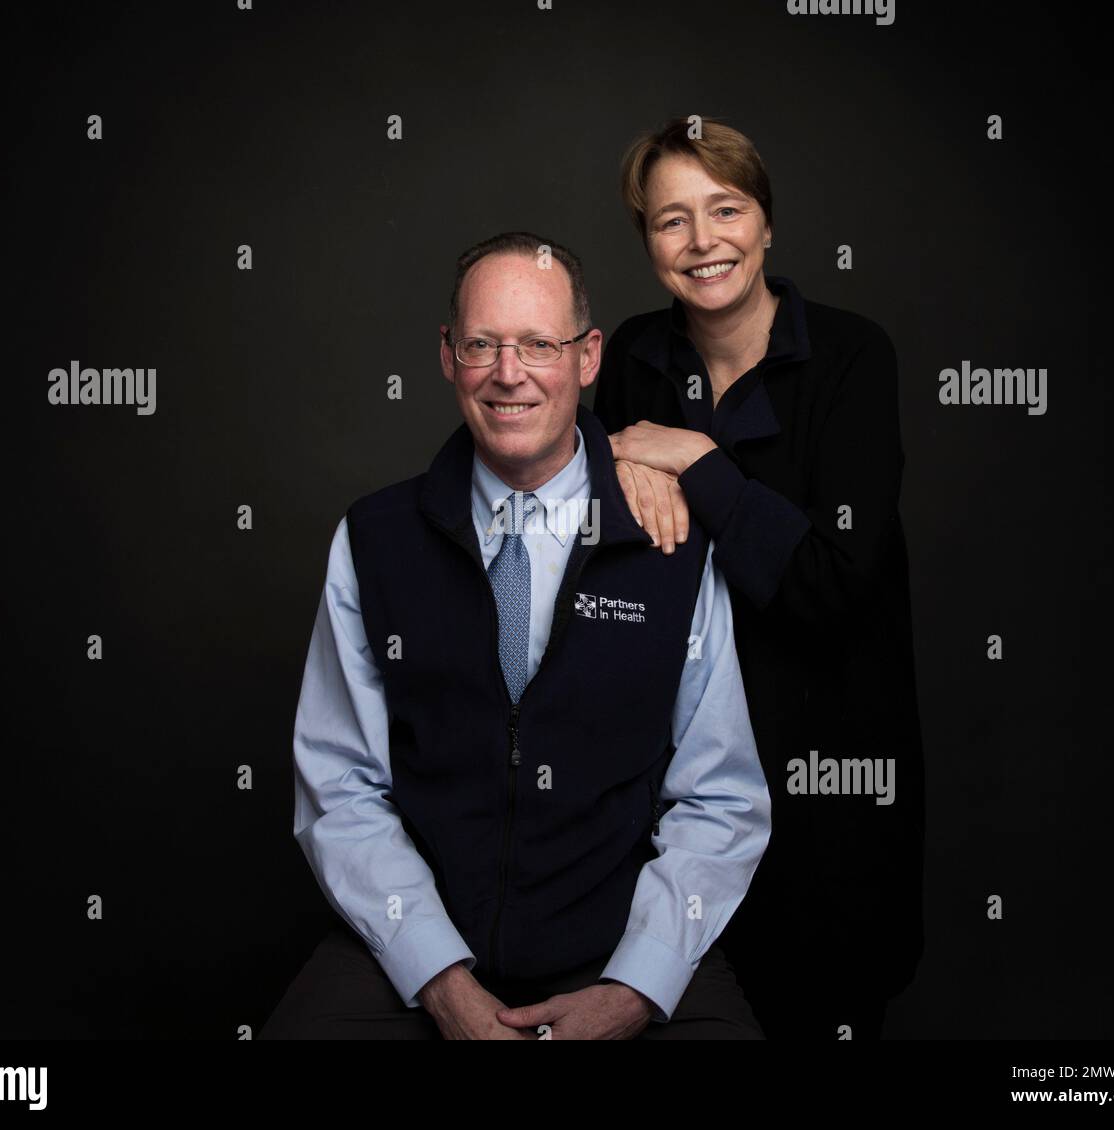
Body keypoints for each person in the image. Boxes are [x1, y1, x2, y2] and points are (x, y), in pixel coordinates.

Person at [260, 231, 771, 1040]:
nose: (509, 373)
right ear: (446, 355)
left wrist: (636, 987)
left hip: (618, 942)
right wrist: (438, 977)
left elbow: (720, 799)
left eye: (539, 343)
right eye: (482, 344)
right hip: (416, 942)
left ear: (588, 356)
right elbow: (342, 785)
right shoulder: (375, 538)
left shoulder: (669, 540)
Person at [592, 118, 925, 1040]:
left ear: (766, 223)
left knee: (822, 1006)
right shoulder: (630, 357)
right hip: (676, 782)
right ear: (648, 241)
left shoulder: (854, 357)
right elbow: (607, 557)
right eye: (671, 220)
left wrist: (695, 459)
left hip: (828, 769)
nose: (703, 242)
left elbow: (830, 584)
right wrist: (621, 465)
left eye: (725, 209)